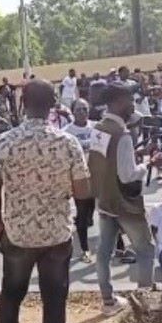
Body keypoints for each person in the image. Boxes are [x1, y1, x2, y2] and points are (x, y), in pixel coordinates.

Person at [0, 79, 91, 323]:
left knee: (11, 294)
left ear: (22, 104)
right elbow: (83, 192)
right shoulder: (68, 143)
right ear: (53, 106)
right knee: (54, 298)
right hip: (56, 235)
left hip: (17, 234)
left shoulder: (4, 142)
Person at [87, 83, 157, 312]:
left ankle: (107, 301)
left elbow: (103, 161)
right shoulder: (122, 135)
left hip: (105, 200)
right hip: (126, 204)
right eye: (130, 100)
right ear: (118, 102)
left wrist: (133, 156)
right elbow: (127, 175)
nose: (132, 105)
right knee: (146, 250)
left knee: (104, 253)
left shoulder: (98, 128)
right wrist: (146, 165)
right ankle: (144, 304)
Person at [63, 100, 98, 263]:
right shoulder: (67, 133)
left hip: (97, 177)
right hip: (79, 179)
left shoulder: (96, 128)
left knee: (98, 210)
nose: (83, 112)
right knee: (83, 213)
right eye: (79, 109)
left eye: (85, 109)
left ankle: (118, 248)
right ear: (72, 112)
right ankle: (85, 249)